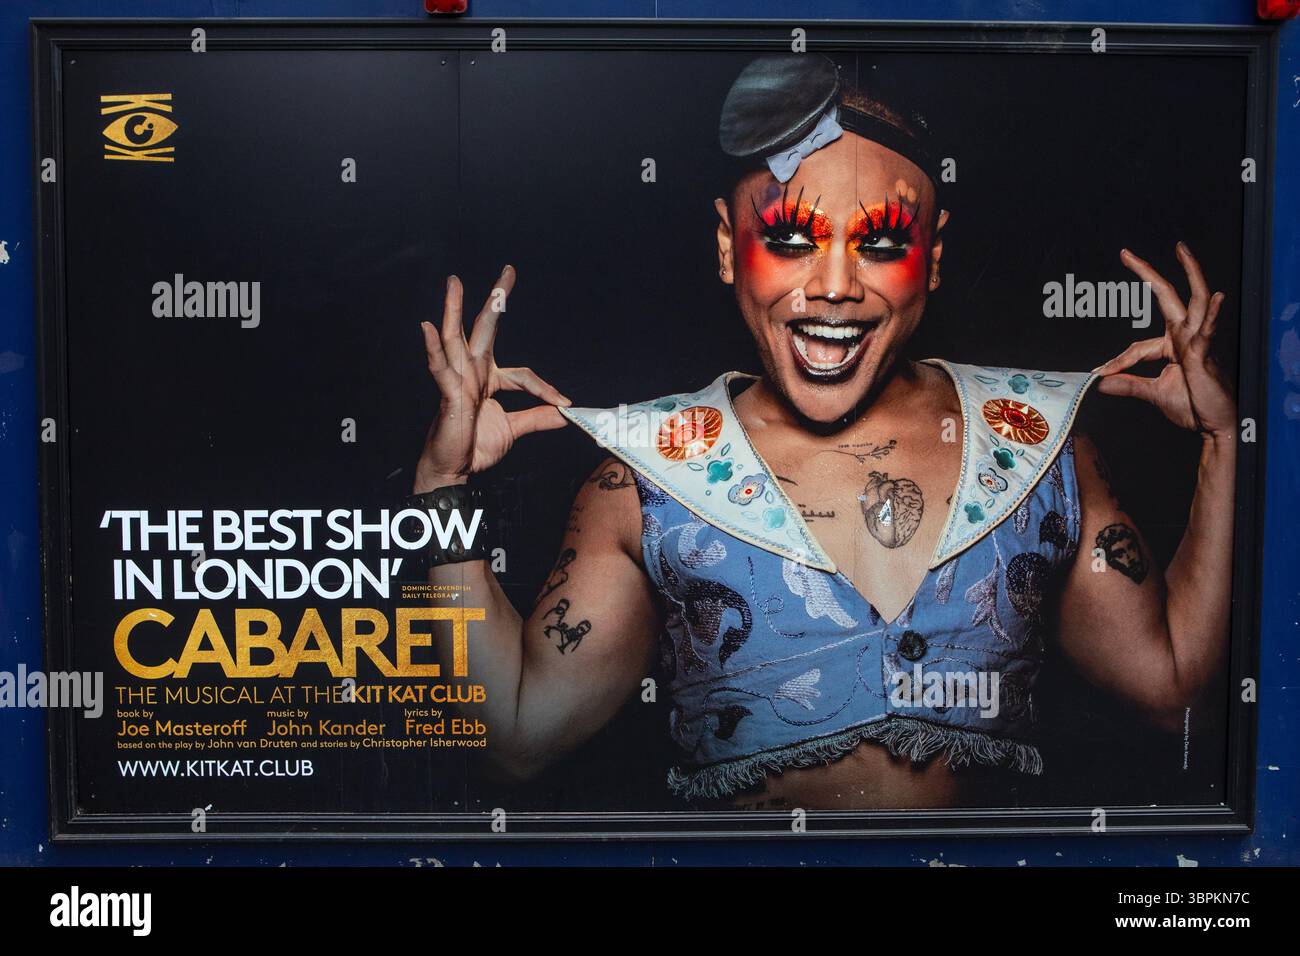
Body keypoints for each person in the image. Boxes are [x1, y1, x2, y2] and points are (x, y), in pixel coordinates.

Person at [409, 55, 1236, 810]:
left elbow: (1174, 696)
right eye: (791, 239)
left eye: (880, 242)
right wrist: (443, 489)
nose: (834, 286)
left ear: (935, 258)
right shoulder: (650, 476)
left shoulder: (1036, 445)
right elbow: (512, 740)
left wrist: (1220, 448)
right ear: (730, 247)